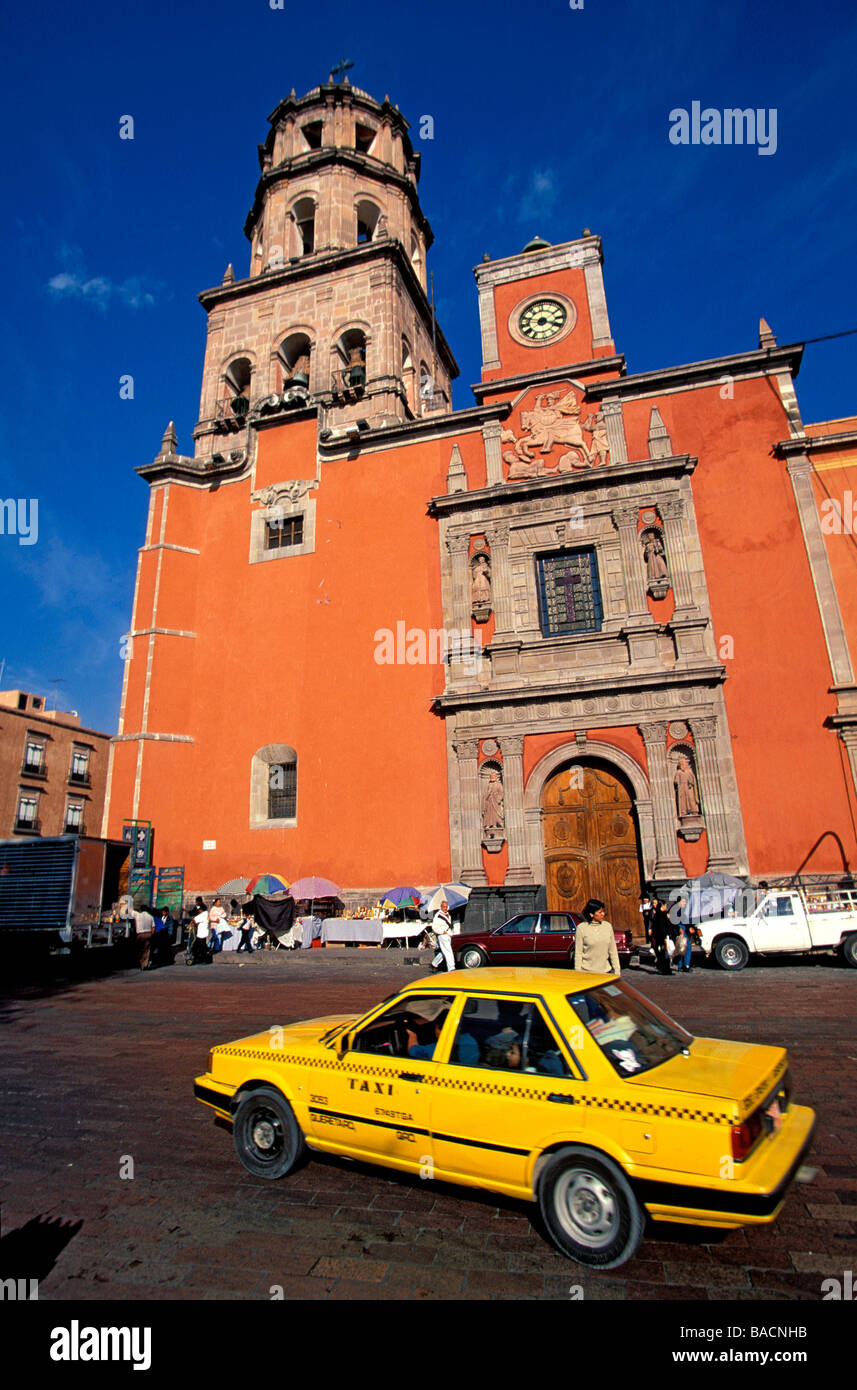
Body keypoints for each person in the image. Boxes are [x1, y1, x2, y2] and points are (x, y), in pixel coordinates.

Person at [573, 899, 620, 975]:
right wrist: (578, 973)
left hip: (605, 972)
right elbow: (578, 953)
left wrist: (617, 970)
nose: (603, 914)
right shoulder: (581, 928)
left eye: (603, 912)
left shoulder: (607, 927)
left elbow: (613, 951)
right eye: (600, 912)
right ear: (591, 914)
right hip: (587, 973)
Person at [649, 895, 674, 975]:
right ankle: (666, 969)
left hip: (659, 936)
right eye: (665, 905)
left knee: (662, 953)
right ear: (662, 906)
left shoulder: (659, 914)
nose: (666, 906)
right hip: (661, 937)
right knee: (664, 953)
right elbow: (662, 927)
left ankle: (663, 968)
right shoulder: (660, 915)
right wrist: (665, 937)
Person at [431, 899, 455, 972]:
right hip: (442, 935)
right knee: (448, 950)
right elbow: (434, 927)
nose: (445, 908)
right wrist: (442, 932)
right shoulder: (438, 915)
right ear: (441, 907)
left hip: (448, 934)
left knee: (445, 950)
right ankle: (451, 968)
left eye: (446, 906)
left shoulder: (448, 914)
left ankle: (434, 963)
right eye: (444, 906)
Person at [131, 899, 155, 970]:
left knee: (139, 949)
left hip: (140, 935)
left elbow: (130, 911)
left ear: (140, 910)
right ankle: (144, 965)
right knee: (146, 950)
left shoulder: (137, 915)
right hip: (148, 934)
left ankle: (140, 962)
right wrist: (151, 935)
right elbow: (153, 927)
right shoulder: (150, 916)